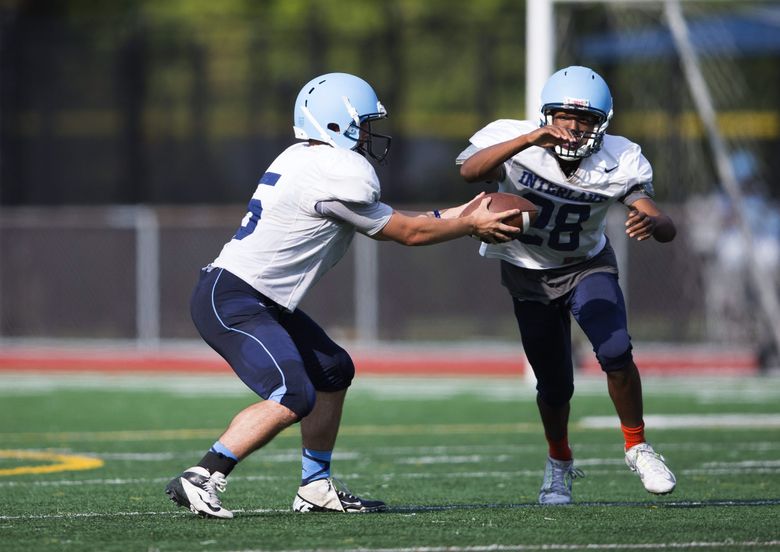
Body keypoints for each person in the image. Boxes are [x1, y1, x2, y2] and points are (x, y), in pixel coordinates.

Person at [164, 72, 521, 518]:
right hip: (234, 297)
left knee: (332, 370)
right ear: (336, 123)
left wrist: (466, 214)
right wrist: (467, 224)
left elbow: (401, 220)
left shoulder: (311, 162)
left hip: (259, 299)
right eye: (364, 124)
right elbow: (408, 233)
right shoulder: (331, 173)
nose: (370, 135)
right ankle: (202, 476)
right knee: (292, 394)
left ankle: (315, 486)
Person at [457, 66, 677, 505]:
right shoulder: (514, 137)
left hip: (585, 264)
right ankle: (559, 463)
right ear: (545, 114)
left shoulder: (620, 157)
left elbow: (663, 222)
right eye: (563, 117)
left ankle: (637, 446)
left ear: (603, 123)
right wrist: (527, 141)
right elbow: (469, 172)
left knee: (615, 349)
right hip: (525, 270)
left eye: (586, 120)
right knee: (555, 386)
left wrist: (653, 222)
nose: (573, 128)